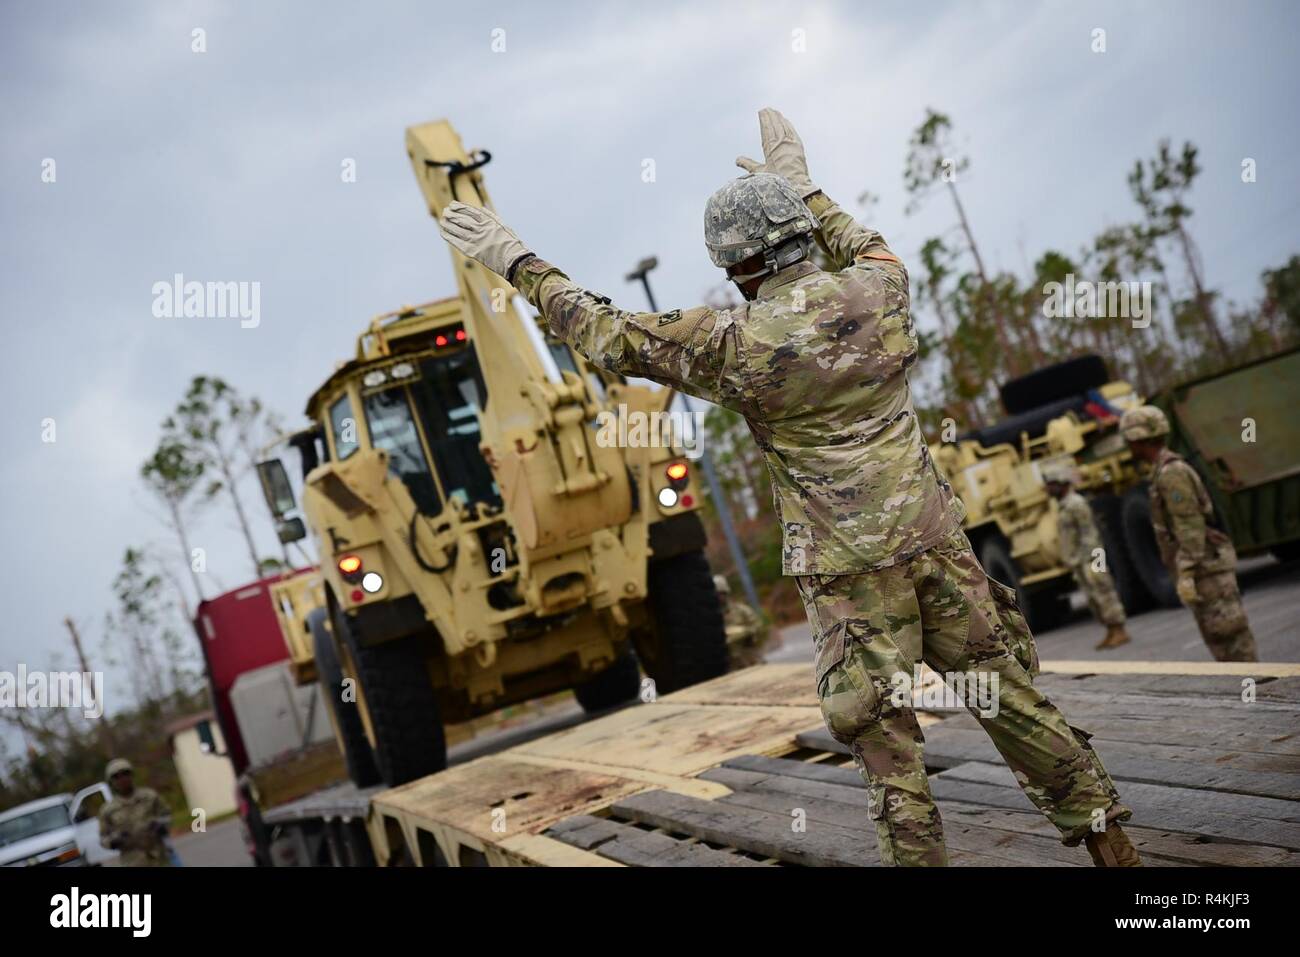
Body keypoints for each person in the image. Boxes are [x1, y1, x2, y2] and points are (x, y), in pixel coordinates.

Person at [438, 108, 1140, 867]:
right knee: (1010, 698)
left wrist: (516, 261)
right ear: (801, 235)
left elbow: (605, 333)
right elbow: (864, 244)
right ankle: (1112, 843)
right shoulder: (883, 290)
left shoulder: (735, 345)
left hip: (849, 576)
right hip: (939, 543)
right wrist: (805, 187)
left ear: (740, 269)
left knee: (889, 746)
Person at [1120, 405, 1259, 662]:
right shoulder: (1163, 471)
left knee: (1232, 639)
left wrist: (1186, 573)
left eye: (1130, 439)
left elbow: (1189, 525)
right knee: (1220, 640)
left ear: (1141, 438)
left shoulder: (1171, 474)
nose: (1128, 445)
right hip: (1203, 568)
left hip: (1206, 567)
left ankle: (1257, 692)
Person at [1041, 460, 1131, 650]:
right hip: (1080, 560)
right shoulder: (1065, 506)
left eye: (1051, 484)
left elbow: (1089, 533)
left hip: (1091, 556)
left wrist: (1091, 561)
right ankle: (1110, 630)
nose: (1048, 489)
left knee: (1103, 590)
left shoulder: (1076, 504)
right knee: (1093, 597)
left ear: (1061, 483)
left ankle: (1119, 630)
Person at [98, 758, 173, 867]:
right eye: (116, 777)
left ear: (131, 775)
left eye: (125, 774)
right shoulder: (108, 810)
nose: (122, 779)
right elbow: (103, 837)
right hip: (132, 861)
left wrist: (161, 825)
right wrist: (114, 840)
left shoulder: (149, 796)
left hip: (159, 857)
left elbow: (166, 814)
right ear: (111, 782)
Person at [714, 574, 770, 668]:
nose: (719, 597)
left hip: (748, 655)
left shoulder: (742, 610)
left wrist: (747, 632)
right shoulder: (712, 618)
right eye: (716, 594)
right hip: (729, 662)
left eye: (721, 593)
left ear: (726, 593)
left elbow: (758, 626)